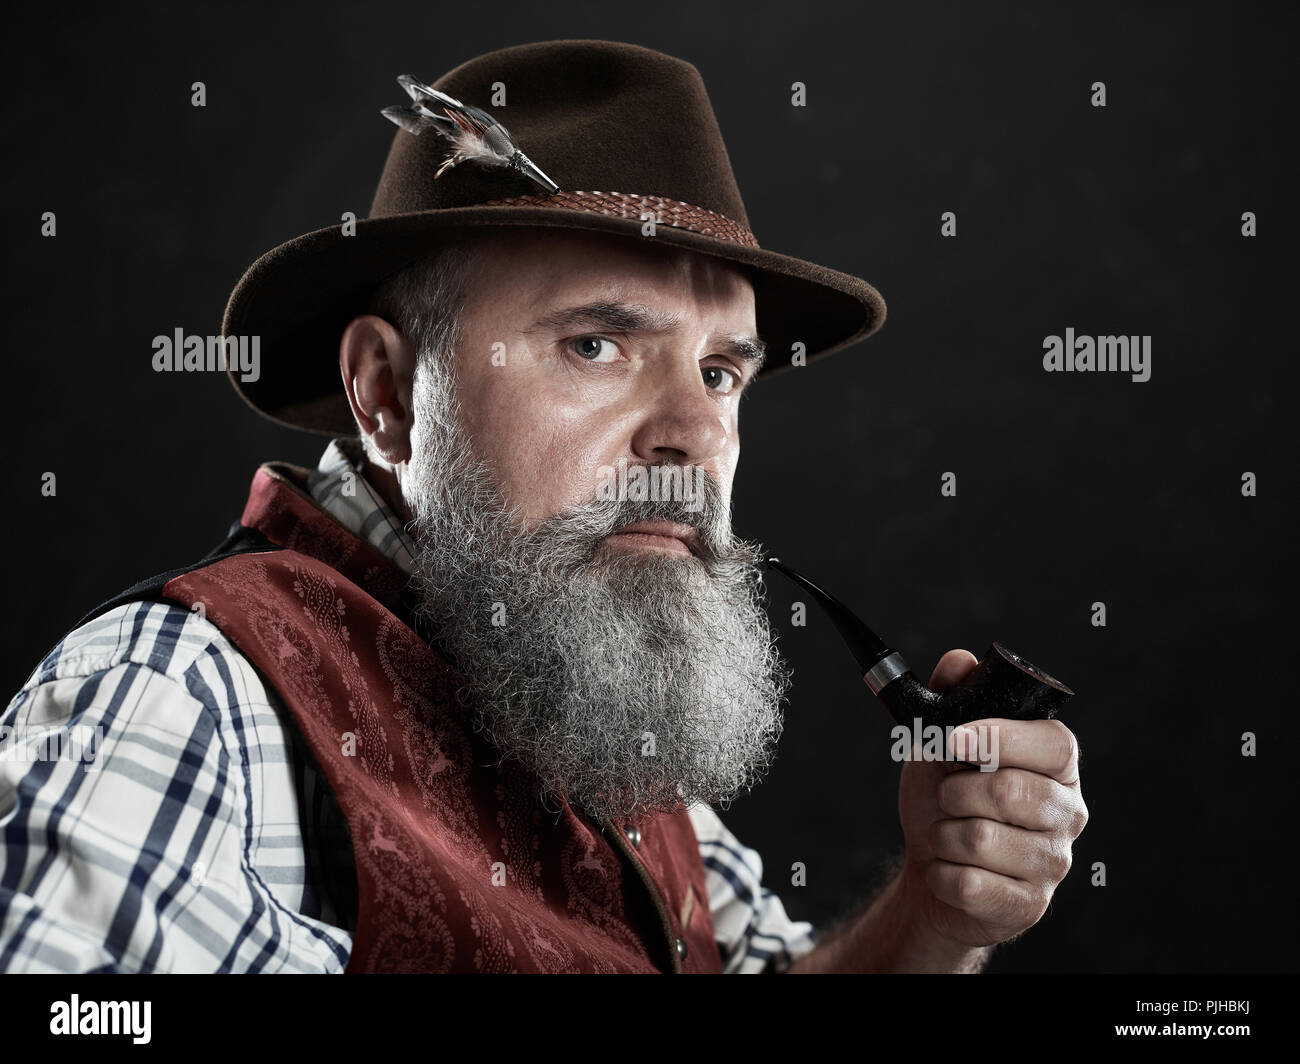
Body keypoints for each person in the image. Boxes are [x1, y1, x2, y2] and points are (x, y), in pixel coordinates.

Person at [0, 40, 1086, 974]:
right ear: (385, 394)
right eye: (596, 345)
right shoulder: (177, 705)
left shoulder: (591, 701)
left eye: (719, 373)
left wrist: (930, 921)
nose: (695, 436)